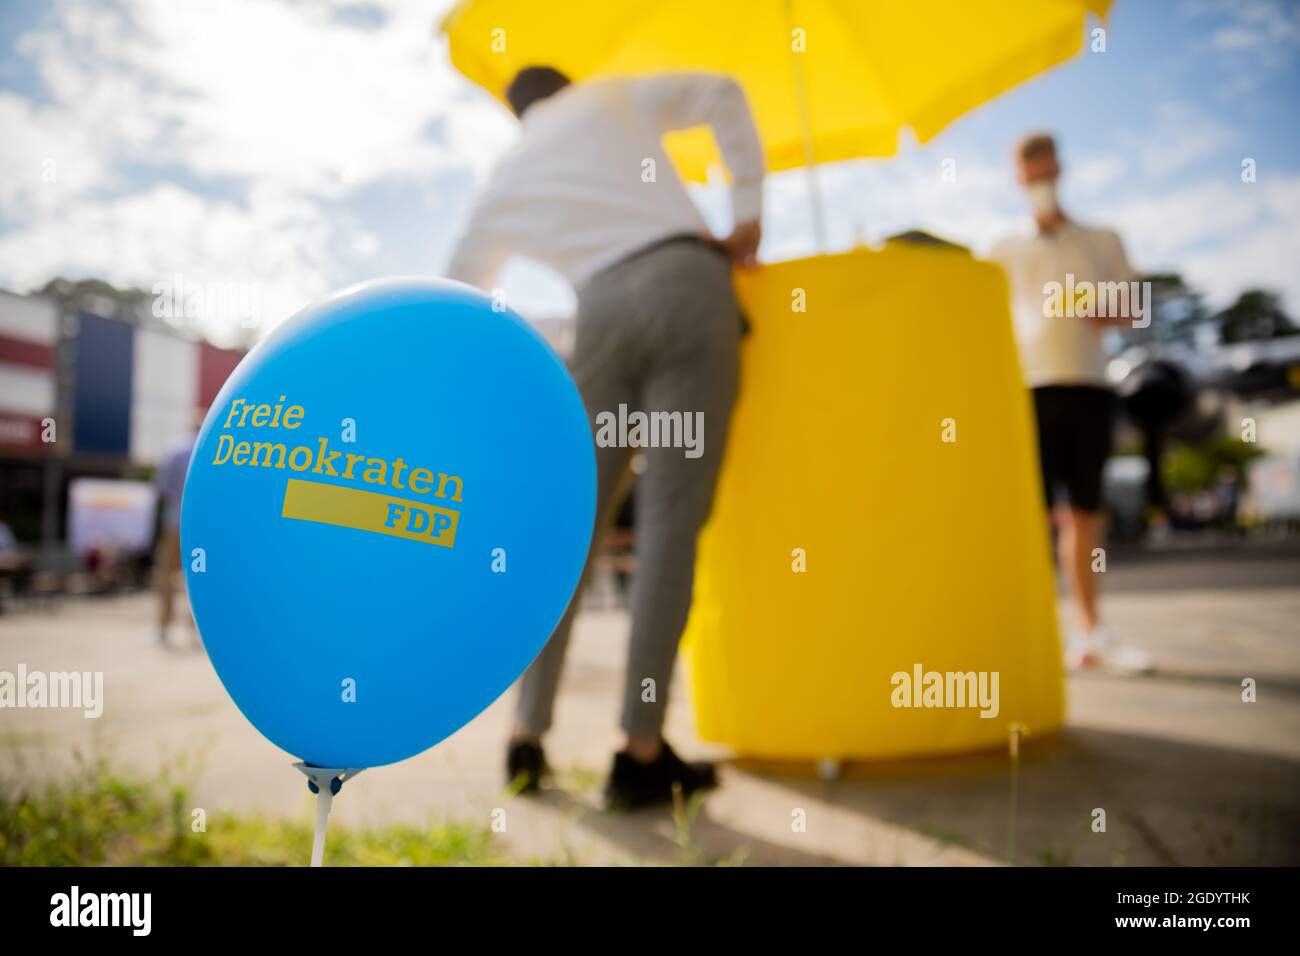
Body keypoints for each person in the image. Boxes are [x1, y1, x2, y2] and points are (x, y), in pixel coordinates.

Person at [445, 65, 763, 808]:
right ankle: (639, 750)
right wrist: (746, 209)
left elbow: (459, 290)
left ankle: (525, 739)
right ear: (567, 83)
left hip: (600, 318)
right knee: (669, 528)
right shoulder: (609, 97)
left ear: (515, 111)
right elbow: (722, 92)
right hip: (687, 285)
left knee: (568, 535)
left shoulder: (509, 171)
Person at [991, 133, 1152, 674]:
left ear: (1062, 169)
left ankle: (1090, 633)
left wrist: (1097, 303)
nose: (1043, 183)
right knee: (1029, 516)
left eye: (1049, 173)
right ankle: (1033, 636)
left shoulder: (1101, 238)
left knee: (1085, 514)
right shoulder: (1002, 249)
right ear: (1019, 180)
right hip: (1027, 390)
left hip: (1088, 384)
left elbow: (1134, 307)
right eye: (1033, 176)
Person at [154, 417, 199, 647]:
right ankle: (195, 628)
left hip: (173, 520)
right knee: (198, 575)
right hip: (200, 524)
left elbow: (162, 486)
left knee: (166, 575)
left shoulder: (176, 448)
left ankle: (163, 627)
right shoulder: (209, 450)